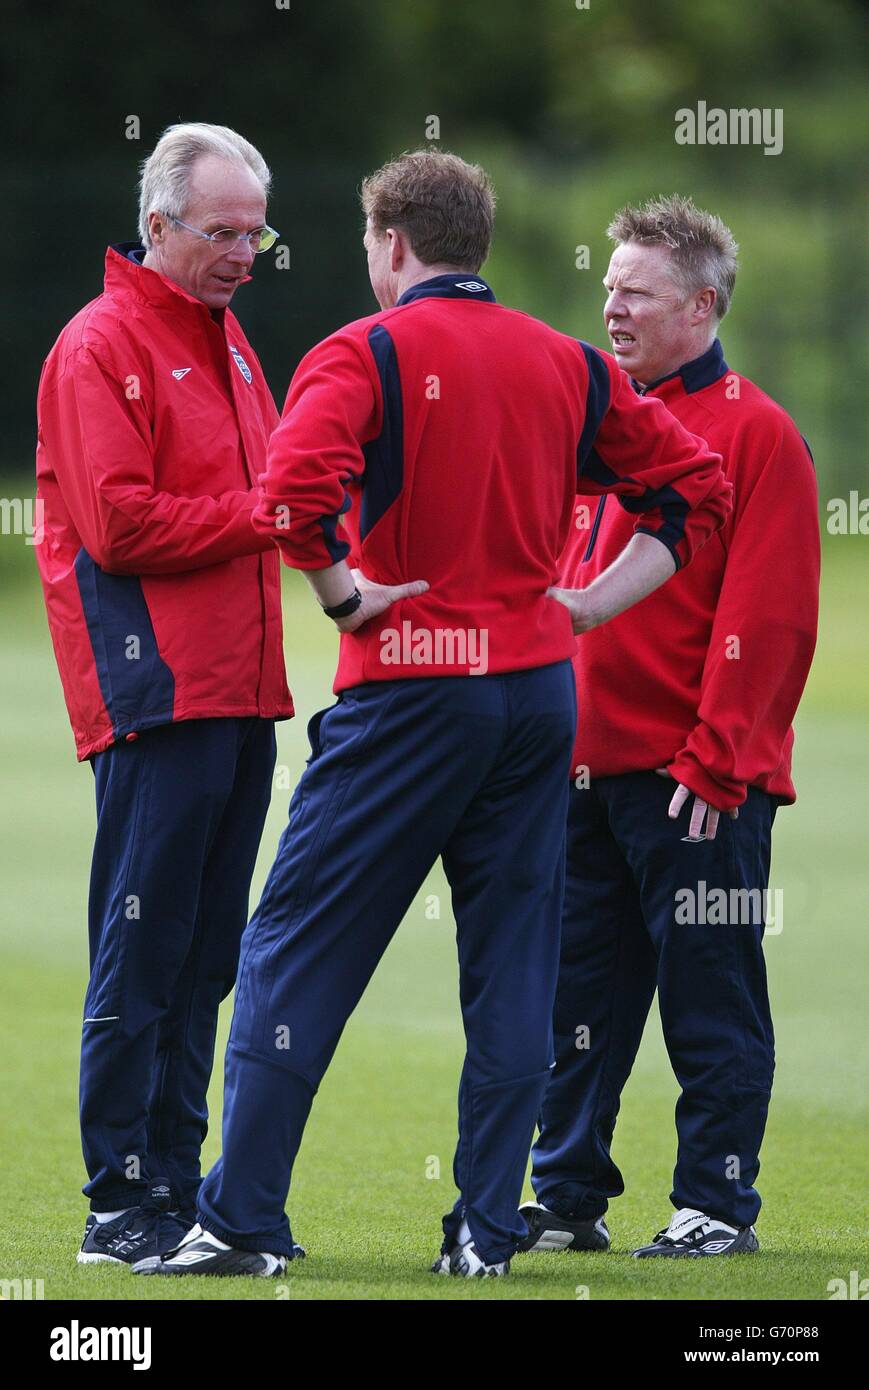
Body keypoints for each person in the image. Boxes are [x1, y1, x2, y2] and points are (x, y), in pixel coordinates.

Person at [141, 152, 730, 1281]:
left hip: (410, 687)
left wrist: (343, 594)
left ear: (391, 245)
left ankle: (240, 1223)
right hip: (534, 695)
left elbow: (292, 497)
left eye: (370, 246)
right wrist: (589, 606)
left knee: (293, 948)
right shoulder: (567, 362)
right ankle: (482, 1232)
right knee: (513, 966)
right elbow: (692, 484)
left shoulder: (360, 352)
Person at [520, 195, 820, 1259]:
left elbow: (768, 616)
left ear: (699, 306)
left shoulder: (756, 431)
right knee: (572, 1007)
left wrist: (720, 755)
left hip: (695, 782)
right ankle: (564, 1198)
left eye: (633, 292)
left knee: (710, 1002)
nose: (610, 306)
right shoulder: (597, 418)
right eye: (607, 287)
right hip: (581, 773)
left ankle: (712, 1206)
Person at [34, 122, 293, 1269]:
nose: (244, 252)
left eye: (255, 232)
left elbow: (286, 481)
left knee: (207, 955)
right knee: (143, 949)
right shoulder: (101, 343)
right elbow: (118, 522)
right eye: (221, 231)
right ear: (158, 225)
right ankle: (114, 1203)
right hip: (155, 690)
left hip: (241, 690)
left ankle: (176, 1187)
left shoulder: (232, 341)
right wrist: (272, 513)